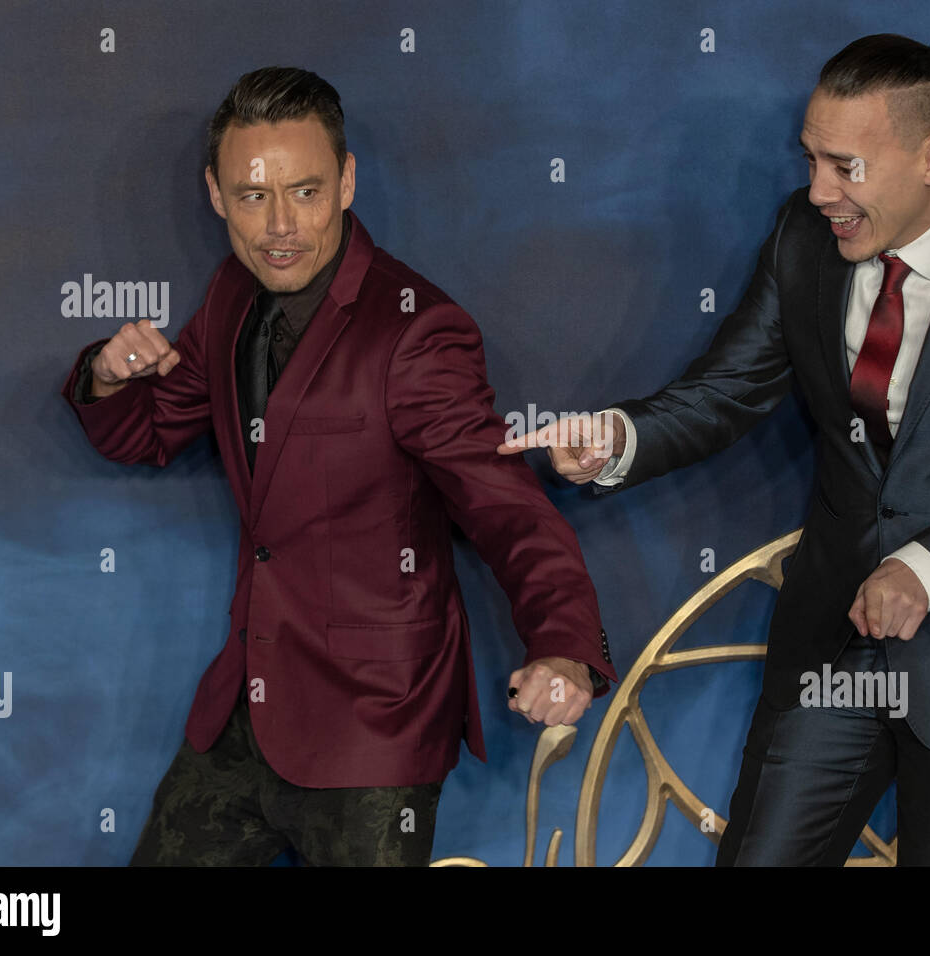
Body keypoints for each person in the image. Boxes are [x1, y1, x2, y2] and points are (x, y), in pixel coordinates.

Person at [501, 33, 930, 866]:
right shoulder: (804, 235)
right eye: (811, 160)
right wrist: (621, 438)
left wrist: (928, 570)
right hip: (832, 648)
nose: (819, 190)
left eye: (845, 167)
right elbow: (729, 389)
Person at [61, 66, 616, 866]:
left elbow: (507, 508)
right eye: (253, 196)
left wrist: (564, 647)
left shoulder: (418, 330)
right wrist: (106, 376)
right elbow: (145, 434)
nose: (281, 225)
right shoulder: (229, 294)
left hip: (376, 727)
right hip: (242, 717)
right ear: (216, 194)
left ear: (348, 182)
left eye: (307, 192)